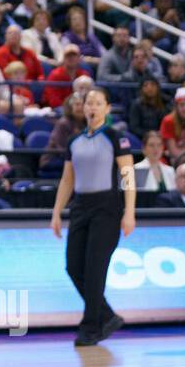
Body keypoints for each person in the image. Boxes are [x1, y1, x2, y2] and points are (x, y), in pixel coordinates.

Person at [50, 88, 136, 347]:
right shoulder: (74, 141)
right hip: (80, 207)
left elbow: (128, 174)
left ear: (107, 108)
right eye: (89, 103)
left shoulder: (114, 136)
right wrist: (56, 212)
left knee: (95, 269)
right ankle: (107, 315)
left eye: (98, 103)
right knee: (73, 266)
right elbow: (67, 179)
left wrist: (129, 211)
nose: (93, 107)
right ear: (83, 107)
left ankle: (90, 327)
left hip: (107, 207)